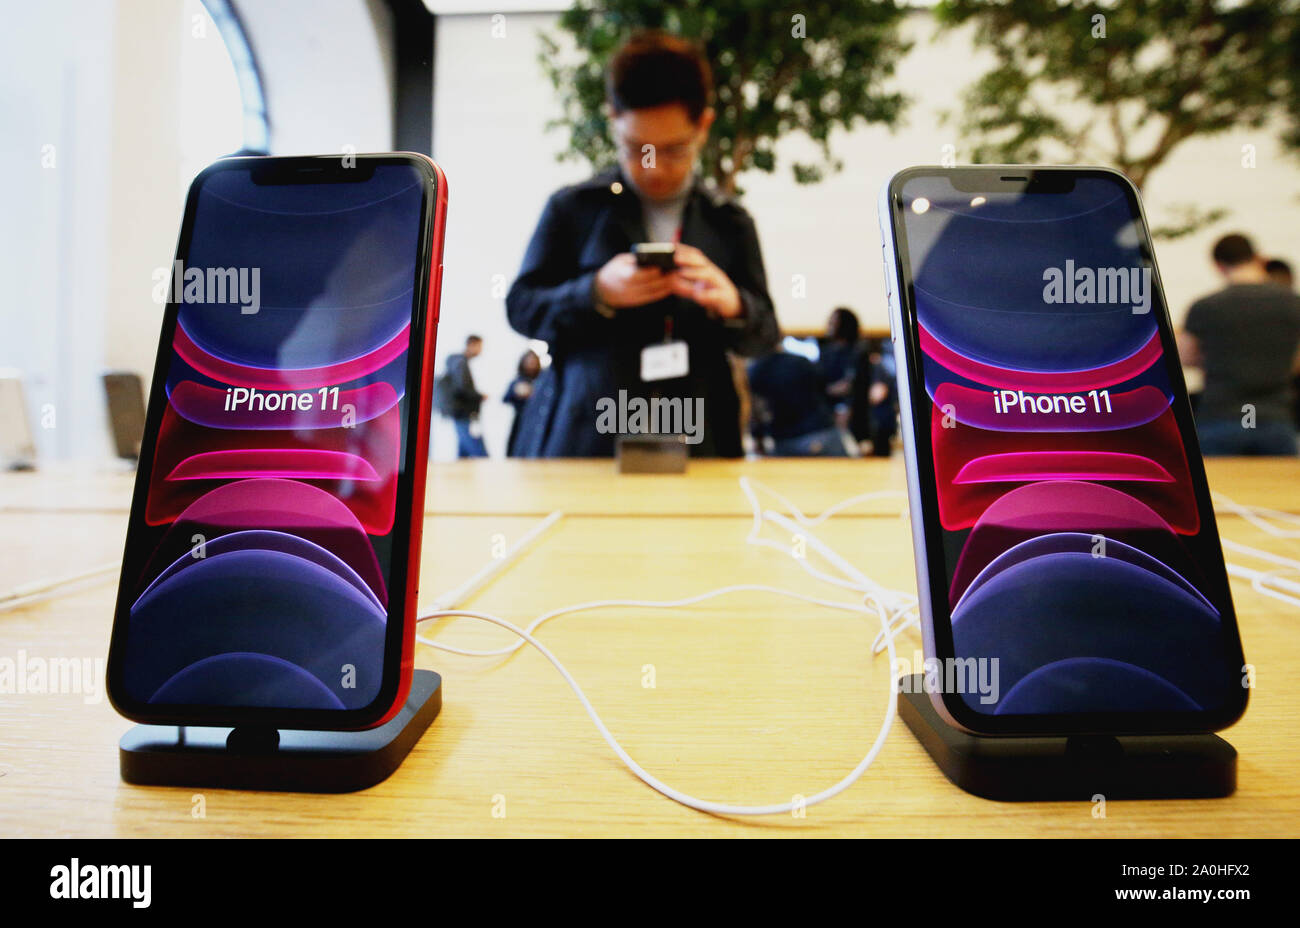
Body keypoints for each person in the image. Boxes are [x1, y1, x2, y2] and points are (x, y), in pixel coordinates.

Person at [505, 30, 779, 457]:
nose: (652, 168)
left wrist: (733, 305)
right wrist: (594, 292)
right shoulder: (573, 208)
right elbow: (521, 307)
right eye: (637, 148)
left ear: (703, 127)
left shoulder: (729, 221)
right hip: (584, 440)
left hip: (701, 443)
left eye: (673, 151)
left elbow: (765, 334)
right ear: (612, 118)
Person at [1178, 234, 1300, 456]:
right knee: (1279, 489)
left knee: (1220, 490)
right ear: (1258, 258)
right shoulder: (1293, 303)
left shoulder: (1205, 306)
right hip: (1274, 418)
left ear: (1218, 265)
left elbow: (1185, 357)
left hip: (1220, 416)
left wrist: (1219, 359)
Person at [747, 347, 848, 457]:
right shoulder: (802, 362)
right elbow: (824, 391)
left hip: (784, 441)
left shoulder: (755, 370)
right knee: (847, 473)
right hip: (819, 433)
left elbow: (756, 412)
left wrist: (758, 438)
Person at [440, 335, 488, 458]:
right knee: (480, 453)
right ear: (471, 345)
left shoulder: (457, 362)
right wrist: (479, 396)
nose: (480, 350)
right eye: (479, 346)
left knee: (463, 454)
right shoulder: (460, 363)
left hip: (460, 412)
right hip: (463, 412)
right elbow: (462, 388)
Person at [816, 307, 861, 424]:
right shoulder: (825, 353)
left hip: (850, 417)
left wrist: (824, 391)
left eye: (833, 321)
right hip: (826, 414)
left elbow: (847, 386)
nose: (829, 324)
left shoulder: (856, 353)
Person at [503, 350, 541, 457]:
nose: (531, 364)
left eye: (533, 361)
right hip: (520, 422)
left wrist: (534, 392)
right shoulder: (517, 381)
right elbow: (505, 398)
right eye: (528, 361)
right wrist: (515, 391)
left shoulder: (543, 380)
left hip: (537, 423)